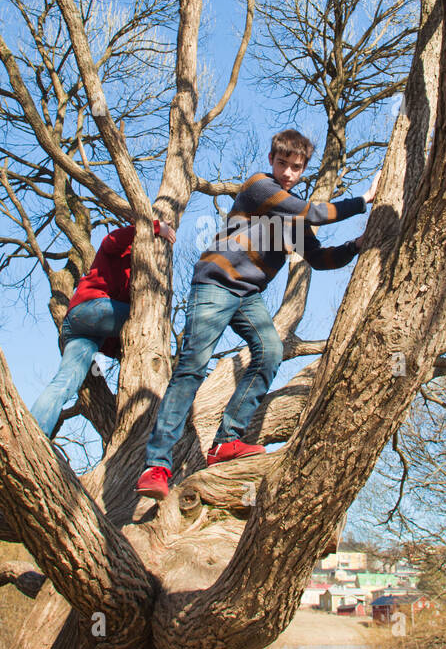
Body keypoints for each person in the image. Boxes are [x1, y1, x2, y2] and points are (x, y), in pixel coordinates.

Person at [136, 130, 379, 498]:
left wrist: (355, 246)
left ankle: (226, 442)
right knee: (192, 367)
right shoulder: (258, 187)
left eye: (296, 168)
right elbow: (312, 211)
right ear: (271, 160)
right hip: (216, 283)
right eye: (282, 164)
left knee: (270, 351)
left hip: (248, 295)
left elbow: (318, 258)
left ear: (304, 169)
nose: (288, 173)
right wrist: (363, 201)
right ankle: (156, 465)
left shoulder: (293, 218)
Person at [31, 217, 176, 438]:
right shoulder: (118, 249)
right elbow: (112, 238)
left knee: (65, 382)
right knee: (146, 317)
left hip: (82, 329)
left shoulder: (136, 280)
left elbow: (113, 336)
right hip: (89, 308)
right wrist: (157, 227)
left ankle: (35, 434)